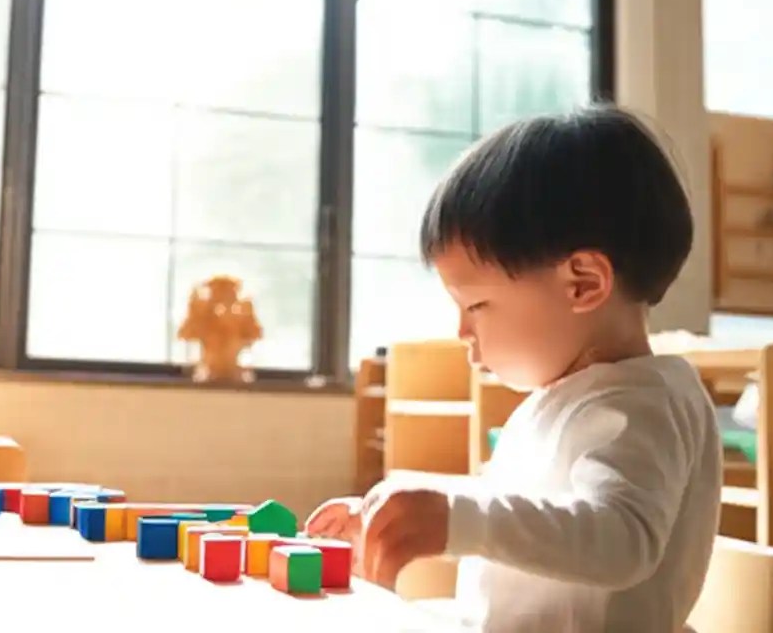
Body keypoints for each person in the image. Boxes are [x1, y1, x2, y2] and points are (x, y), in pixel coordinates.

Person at [307, 105, 721, 632]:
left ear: (583, 284)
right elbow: (522, 516)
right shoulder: (561, 400)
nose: (462, 332)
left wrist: (455, 518)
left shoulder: (643, 402)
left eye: (476, 306)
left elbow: (622, 539)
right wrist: (399, 514)